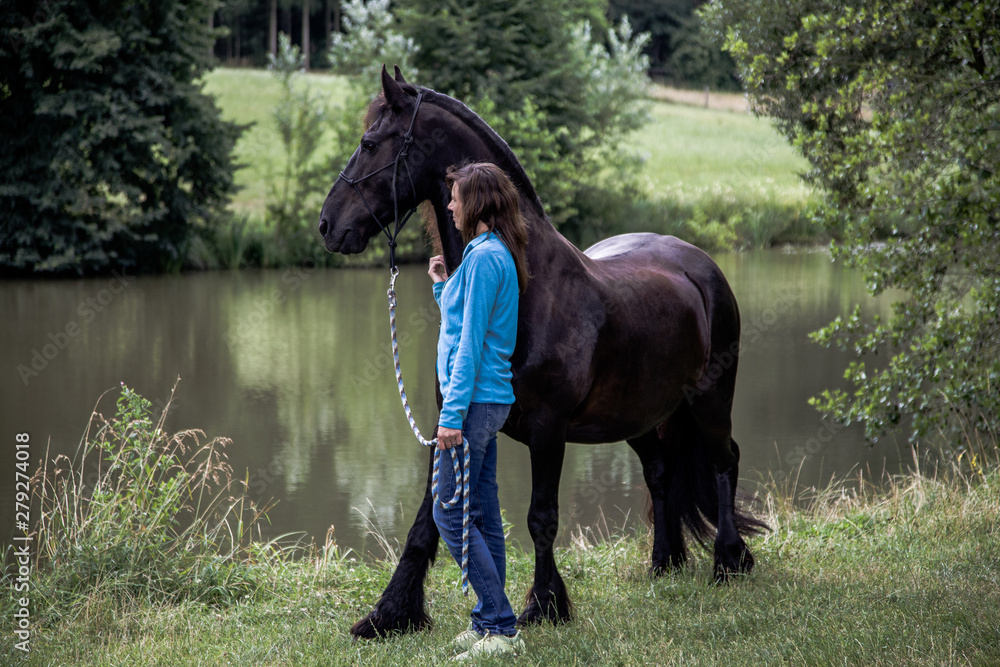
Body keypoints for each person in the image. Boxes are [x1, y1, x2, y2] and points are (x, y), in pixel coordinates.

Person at [427, 162, 530, 660]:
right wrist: (442, 285)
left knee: (448, 511)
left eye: (456, 197)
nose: (449, 206)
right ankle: (489, 620)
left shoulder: (488, 258)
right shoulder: (484, 255)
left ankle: (503, 627)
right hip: (486, 403)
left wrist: (451, 414)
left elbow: (469, 345)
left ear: (478, 203)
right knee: (483, 514)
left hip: (474, 406)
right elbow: (463, 321)